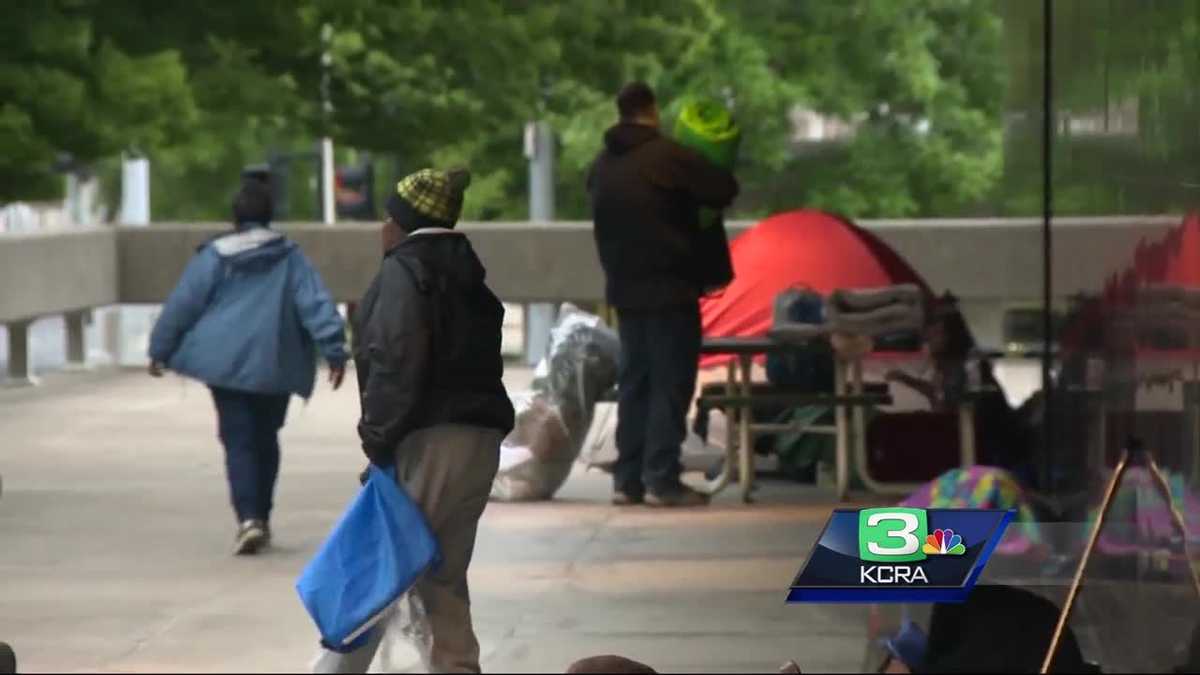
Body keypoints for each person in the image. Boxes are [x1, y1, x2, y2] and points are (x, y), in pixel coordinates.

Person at [317, 168, 515, 673]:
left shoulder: (405, 274)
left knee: (383, 567)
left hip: (429, 440)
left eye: (388, 217)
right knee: (442, 572)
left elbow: (396, 362)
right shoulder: (468, 274)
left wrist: (378, 441)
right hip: (480, 439)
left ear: (400, 223)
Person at [148, 179, 347, 555]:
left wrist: (160, 349)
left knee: (238, 440)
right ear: (270, 217)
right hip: (275, 364)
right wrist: (334, 351)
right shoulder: (291, 258)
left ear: (235, 218)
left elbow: (183, 305)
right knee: (266, 438)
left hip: (225, 366)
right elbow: (316, 304)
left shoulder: (213, 257)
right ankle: (262, 517)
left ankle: (249, 518)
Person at [588, 81, 739, 507]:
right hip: (671, 288)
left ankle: (627, 479)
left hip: (624, 289)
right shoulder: (668, 156)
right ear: (652, 110)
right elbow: (722, 189)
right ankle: (662, 479)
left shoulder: (602, 165)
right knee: (671, 383)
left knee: (635, 382)